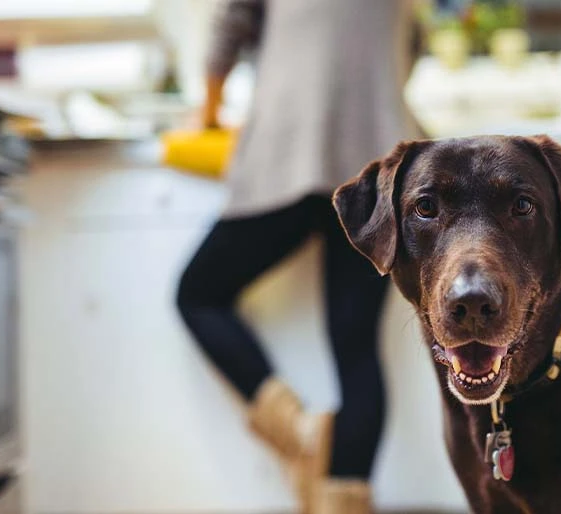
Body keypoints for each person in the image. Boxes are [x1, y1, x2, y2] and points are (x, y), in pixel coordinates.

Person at [175, 1, 422, 512]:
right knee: (355, 347)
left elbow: (230, 26)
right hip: (376, 165)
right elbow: (412, 42)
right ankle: (344, 502)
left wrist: (210, 110)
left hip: (292, 148)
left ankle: (299, 433)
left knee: (197, 294)